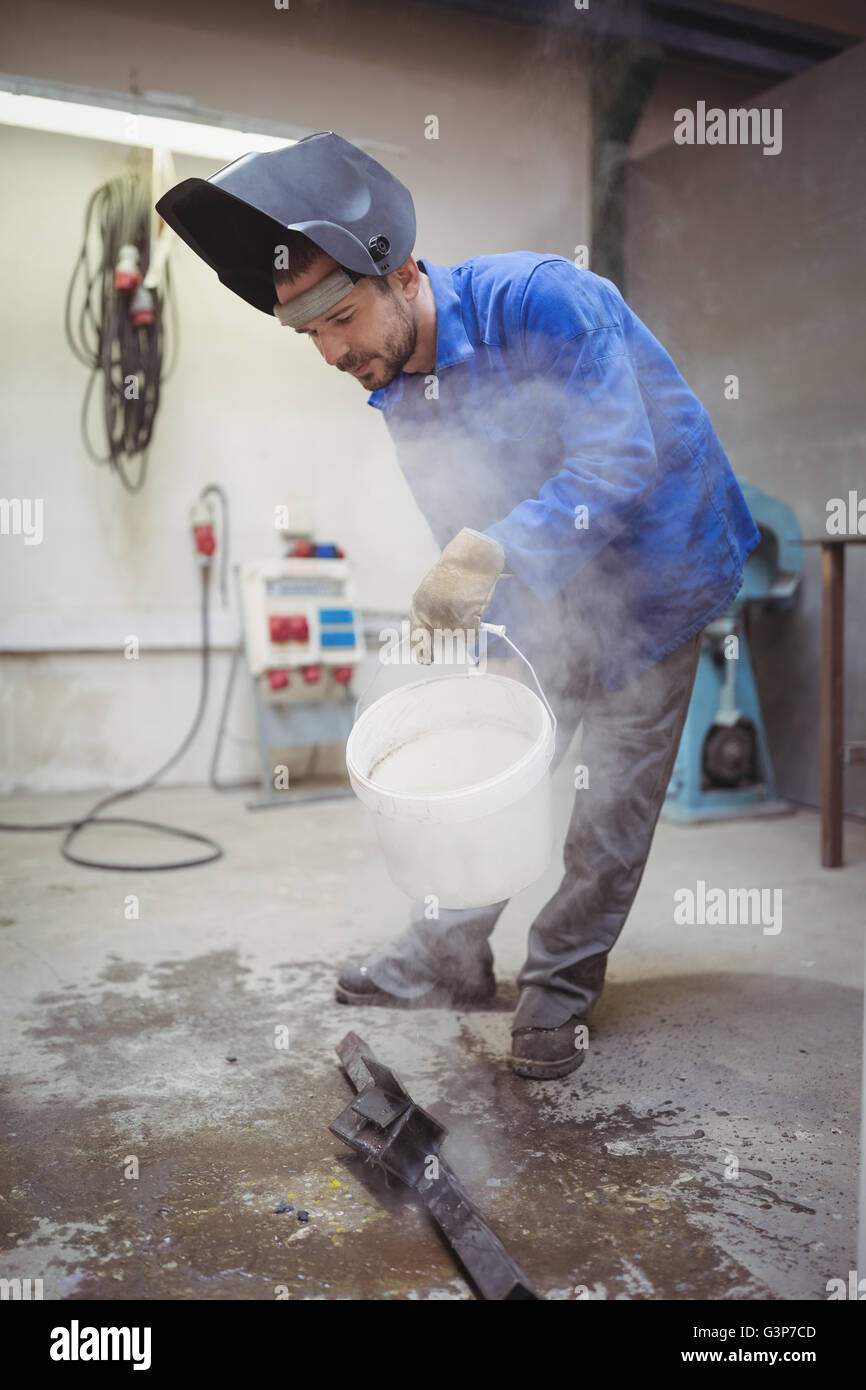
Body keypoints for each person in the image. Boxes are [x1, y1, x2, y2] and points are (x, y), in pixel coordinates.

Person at [158, 132, 760, 1080]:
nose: (331, 352)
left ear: (398, 274)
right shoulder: (396, 381)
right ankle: (444, 956)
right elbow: (463, 521)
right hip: (554, 590)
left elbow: (618, 461)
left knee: (609, 811)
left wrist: (494, 554)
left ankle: (558, 985)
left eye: (341, 319)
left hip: (660, 576)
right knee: (488, 770)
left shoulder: (545, 301)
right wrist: (483, 631)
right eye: (309, 334)